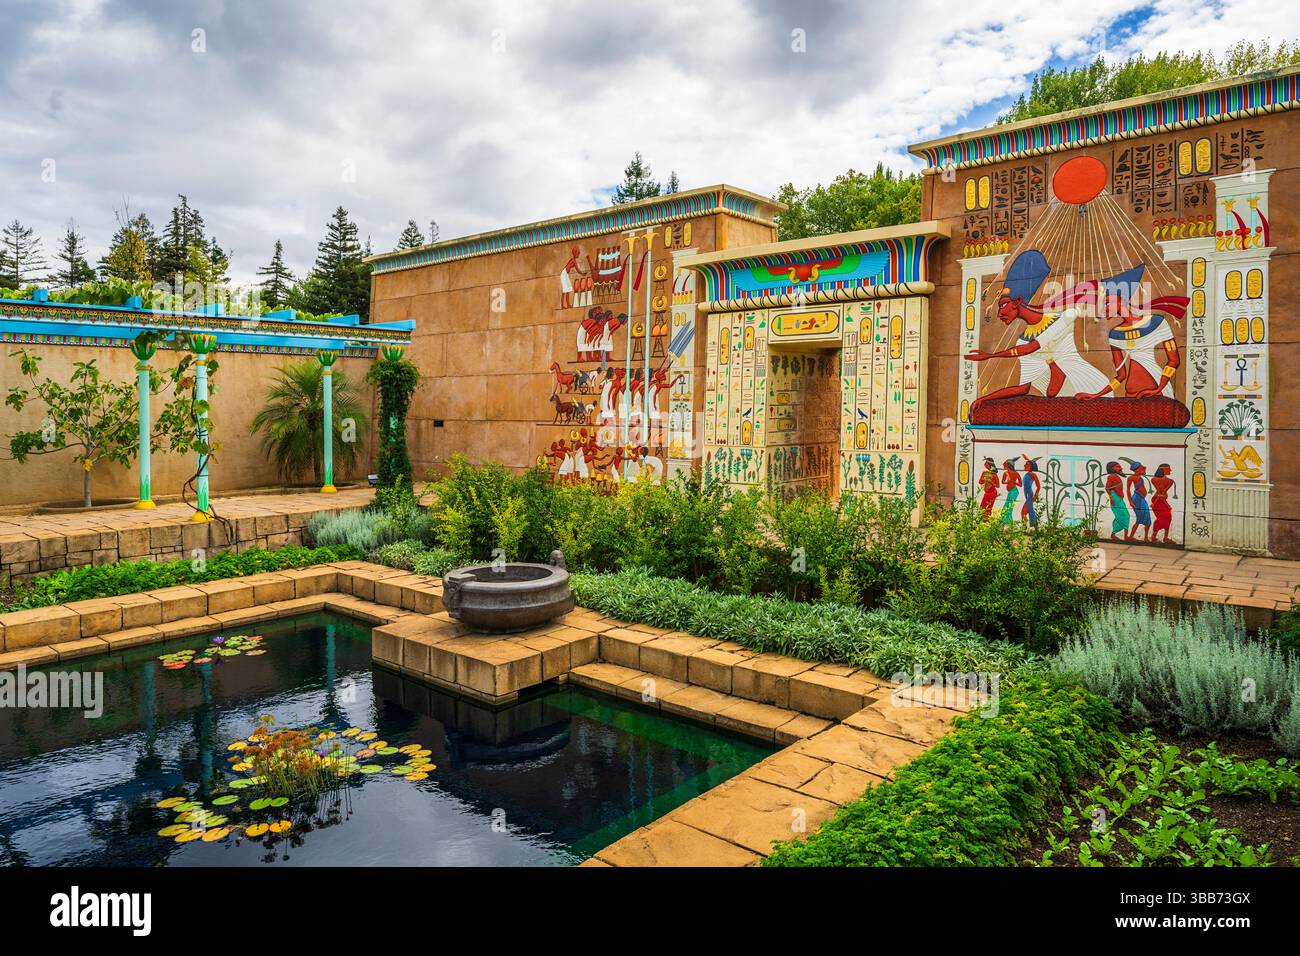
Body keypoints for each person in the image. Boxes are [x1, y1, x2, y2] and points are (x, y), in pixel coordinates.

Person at [965, 250, 1111, 410]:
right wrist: (984, 399)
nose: (999, 313)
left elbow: (1031, 348)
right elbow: (1022, 388)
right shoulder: (1023, 340)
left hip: (1093, 389)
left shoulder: (1064, 317)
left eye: (1003, 305)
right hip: (1063, 403)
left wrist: (990, 356)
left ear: (1018, 301)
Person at [1126, 460, 1151, 542]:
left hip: (1142, 499)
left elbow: (1144, 470)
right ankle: (1131, 536)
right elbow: (1128, 490)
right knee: (1139, 518)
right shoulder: (1131, 478)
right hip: (1137, 499)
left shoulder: (1140, 477)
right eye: (1141, 467)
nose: (1144, 467)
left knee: (1147, 518)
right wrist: (1130, 501)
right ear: (1137, 469)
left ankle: (1146, 537)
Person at [1103, 461, 1129, 541]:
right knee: (1122, 516)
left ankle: (1125, 536)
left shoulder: (1116, 476)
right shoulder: (1112, 476)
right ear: (1112, 468)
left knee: (1125, 515)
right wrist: (1111, 498)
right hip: (1115, 498)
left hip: (1119, 499)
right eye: (1118, 467)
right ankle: (1114, 534)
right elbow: (1107, 488)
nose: (1121, 468)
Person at [1150, 463, 1175, 543]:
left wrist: (1166, 504)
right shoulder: (1155, 480)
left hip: (1160, 501)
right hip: (1158, 502)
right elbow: (1160, 494)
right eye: (1168, 469)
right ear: (1163, 470)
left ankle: (1163, 537)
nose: (1170, 470)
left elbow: (1162, 493)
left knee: (1167, 518)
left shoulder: (1170, 481)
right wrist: (1167, 505)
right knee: (1163, 519)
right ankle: (1157, 537)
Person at [999, 459, 1021, 525]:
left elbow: (1020, 484)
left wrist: (1015, 482)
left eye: (1005, 464)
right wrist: (1007, 482)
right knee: (1006, 508)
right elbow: (1002, 482)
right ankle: (1006, 523)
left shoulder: (1016, 473)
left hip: (1014, 491)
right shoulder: (1005, 473)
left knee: (1008, 508)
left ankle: (1008, 523)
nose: (1003, 465)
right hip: (1010, 492)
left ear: (1008, 465)